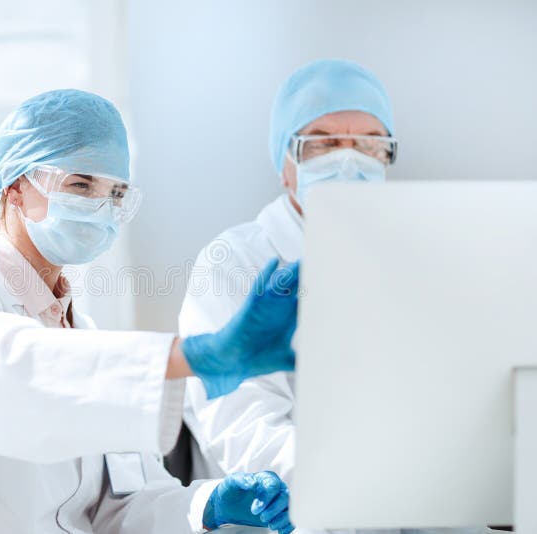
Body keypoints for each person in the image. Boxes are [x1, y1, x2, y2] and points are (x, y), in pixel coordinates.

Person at [0, 89, 298, 534]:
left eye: (116, 191)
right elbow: (2, 373)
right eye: (81, 185)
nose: (101, 207)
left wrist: (208, 503)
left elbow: (116, 508)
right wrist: (192, 357)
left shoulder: (77, 330)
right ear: (16, 186)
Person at [179, 60, 493, 533]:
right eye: (322, 142)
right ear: (284, 164)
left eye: (369, 144)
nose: (348, 159)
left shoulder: (422, 259)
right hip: (292, 512)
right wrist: (359, 484)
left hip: (417, 503)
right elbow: (241, 426)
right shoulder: (233, 261)